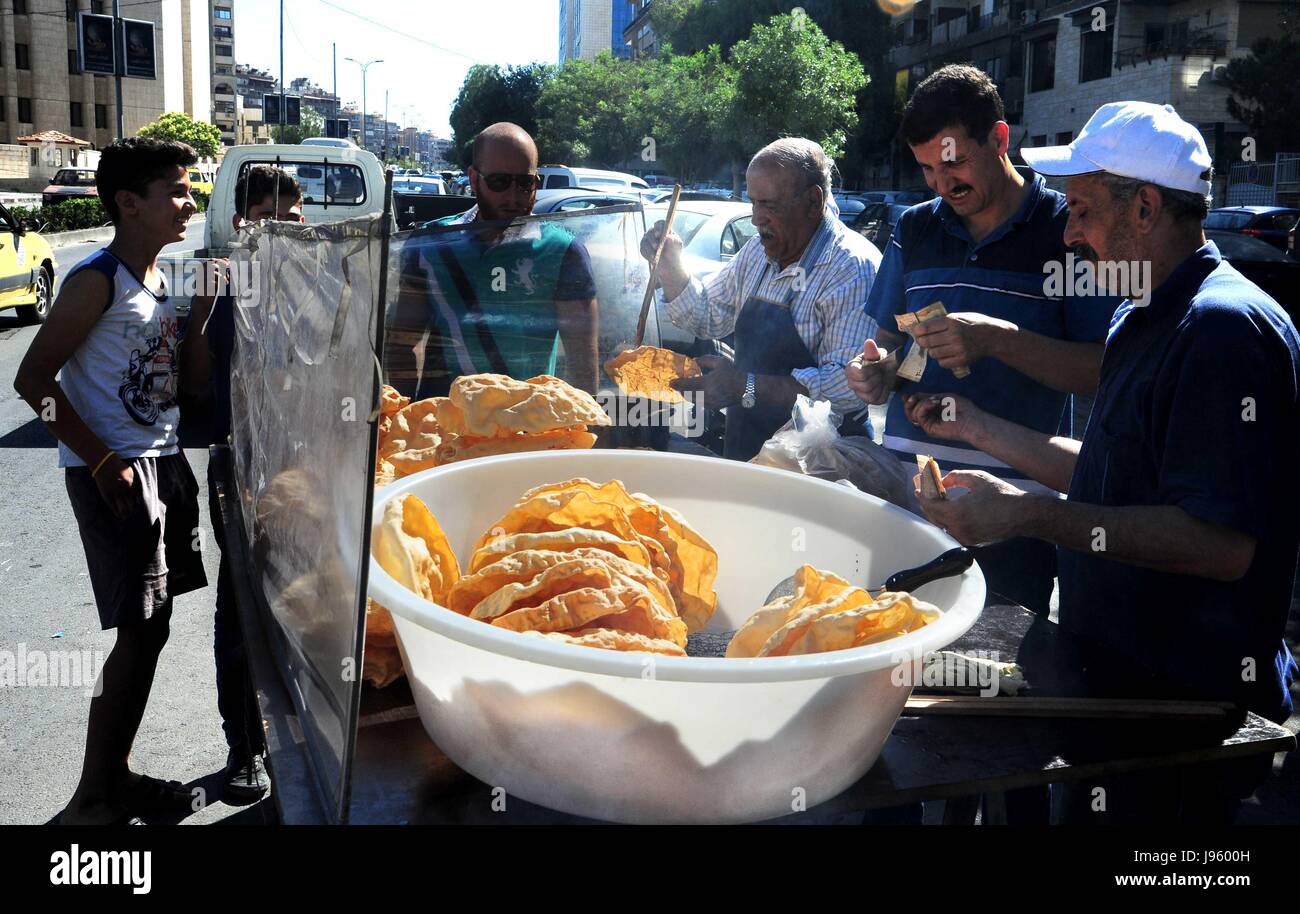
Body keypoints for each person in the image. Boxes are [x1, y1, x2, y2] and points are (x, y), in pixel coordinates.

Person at [912, 102, 1300, 821]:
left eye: (1083, 210)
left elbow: (1218, 545)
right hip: (1113, 683)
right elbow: (1115, 470)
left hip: (1182, 721)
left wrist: (1027, 514)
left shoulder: (1221, 330)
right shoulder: (1141, 312)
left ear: (1146, 207)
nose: (1070, 233)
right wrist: (983, 433)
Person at [845, 64, 1118, 615]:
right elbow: (890, 351)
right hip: (903, 499)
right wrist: (875, 373)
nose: (944, 185)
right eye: (927, 170)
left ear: (999, 139)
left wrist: (996, 340)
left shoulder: (1068, 230)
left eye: (955, 163)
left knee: (998, 679)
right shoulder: (914, 227)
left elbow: (1102, 371)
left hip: (1014, 510)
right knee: (900, 666)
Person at [14, 138, 214, 825]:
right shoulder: (96, 279)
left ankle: (115, 779)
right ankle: (91, 798)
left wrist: (201, 319)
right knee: (138, 632)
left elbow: (187, 387)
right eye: (177, 192)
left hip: (161, 464)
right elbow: (30, 380)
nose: (190, 203)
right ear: (128, 203)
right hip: (117, 475)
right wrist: (101, 460)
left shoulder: (158, 279)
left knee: (151, 630)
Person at [642, 137, 880, 460]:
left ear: (813, 201)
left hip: (821, 466)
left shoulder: (852, 267)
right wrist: (670, 267)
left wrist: (745, 386)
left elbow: (845, 389)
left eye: (769, 205)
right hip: (747, 451)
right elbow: (707, 315)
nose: (756, 218)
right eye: (753, 203)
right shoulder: (756, 251)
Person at [205, 165, 307, 802]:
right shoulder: (222, 284)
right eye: (271, 216)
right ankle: (244, 748)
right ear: (243, 219)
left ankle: (300, 736)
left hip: (308, 465)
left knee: (308, 599)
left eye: (294, 217)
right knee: (243, 607)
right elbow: (203, 379)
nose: (286, 228)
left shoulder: (316, 281)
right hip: (244, 466)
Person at [388, 122, 599, 396]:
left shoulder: (563, 251)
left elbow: (583, 362)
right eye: (499, 182)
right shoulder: (431, 245)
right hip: (449, 426)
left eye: (525, 183)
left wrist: (581, 432)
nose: (513, 196)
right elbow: (402, 344)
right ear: (474, 179)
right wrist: (408, 422)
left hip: (526, 426)